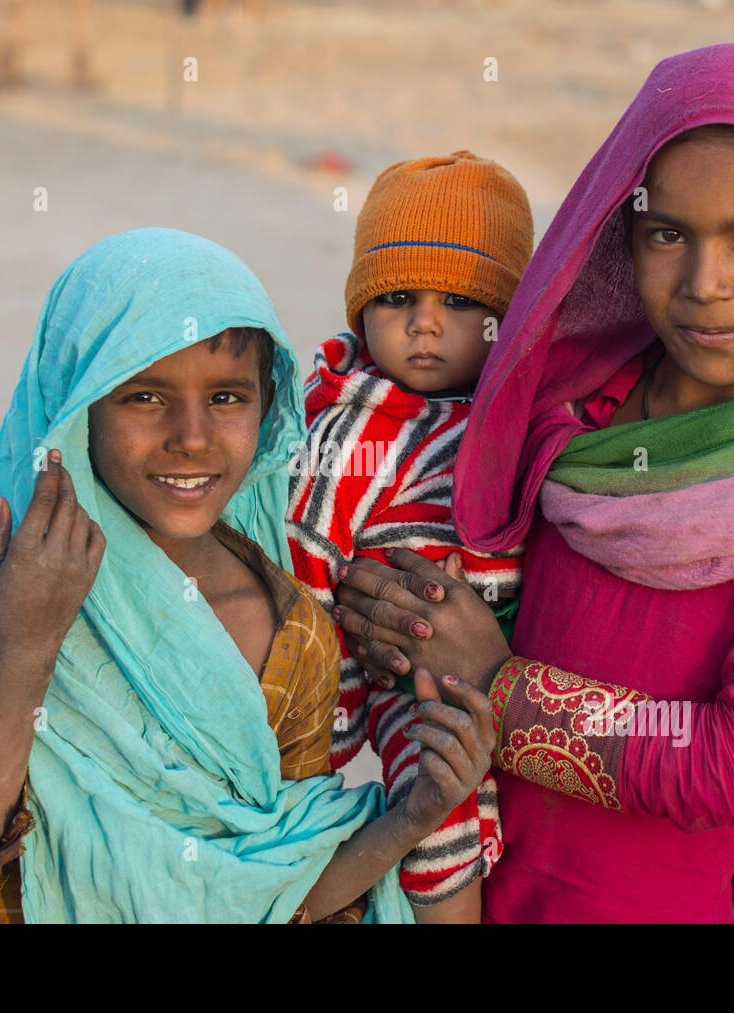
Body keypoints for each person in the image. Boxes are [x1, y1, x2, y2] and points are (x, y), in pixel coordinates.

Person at [330, 44, 734, 924]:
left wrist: (501, 687)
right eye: (668, 234)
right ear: (624, 240)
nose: (707, 283)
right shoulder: (568, 410)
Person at [0, 228, 496, 923]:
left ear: (269, 404)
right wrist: (25, 649)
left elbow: (282, 891)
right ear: (74, 403)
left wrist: (414, 814)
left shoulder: (292, 631)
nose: (192, 436)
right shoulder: (20, 581)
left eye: (225, 397)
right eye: (145, 397)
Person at [286, 151, 532, 920]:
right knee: (442, 799)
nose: (424, 322)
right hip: (409, 674)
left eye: (460, 300)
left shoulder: (515, 408)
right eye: (396, 298)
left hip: (515, 662)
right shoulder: (357, 419)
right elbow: (308, 553)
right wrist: (330, 718)